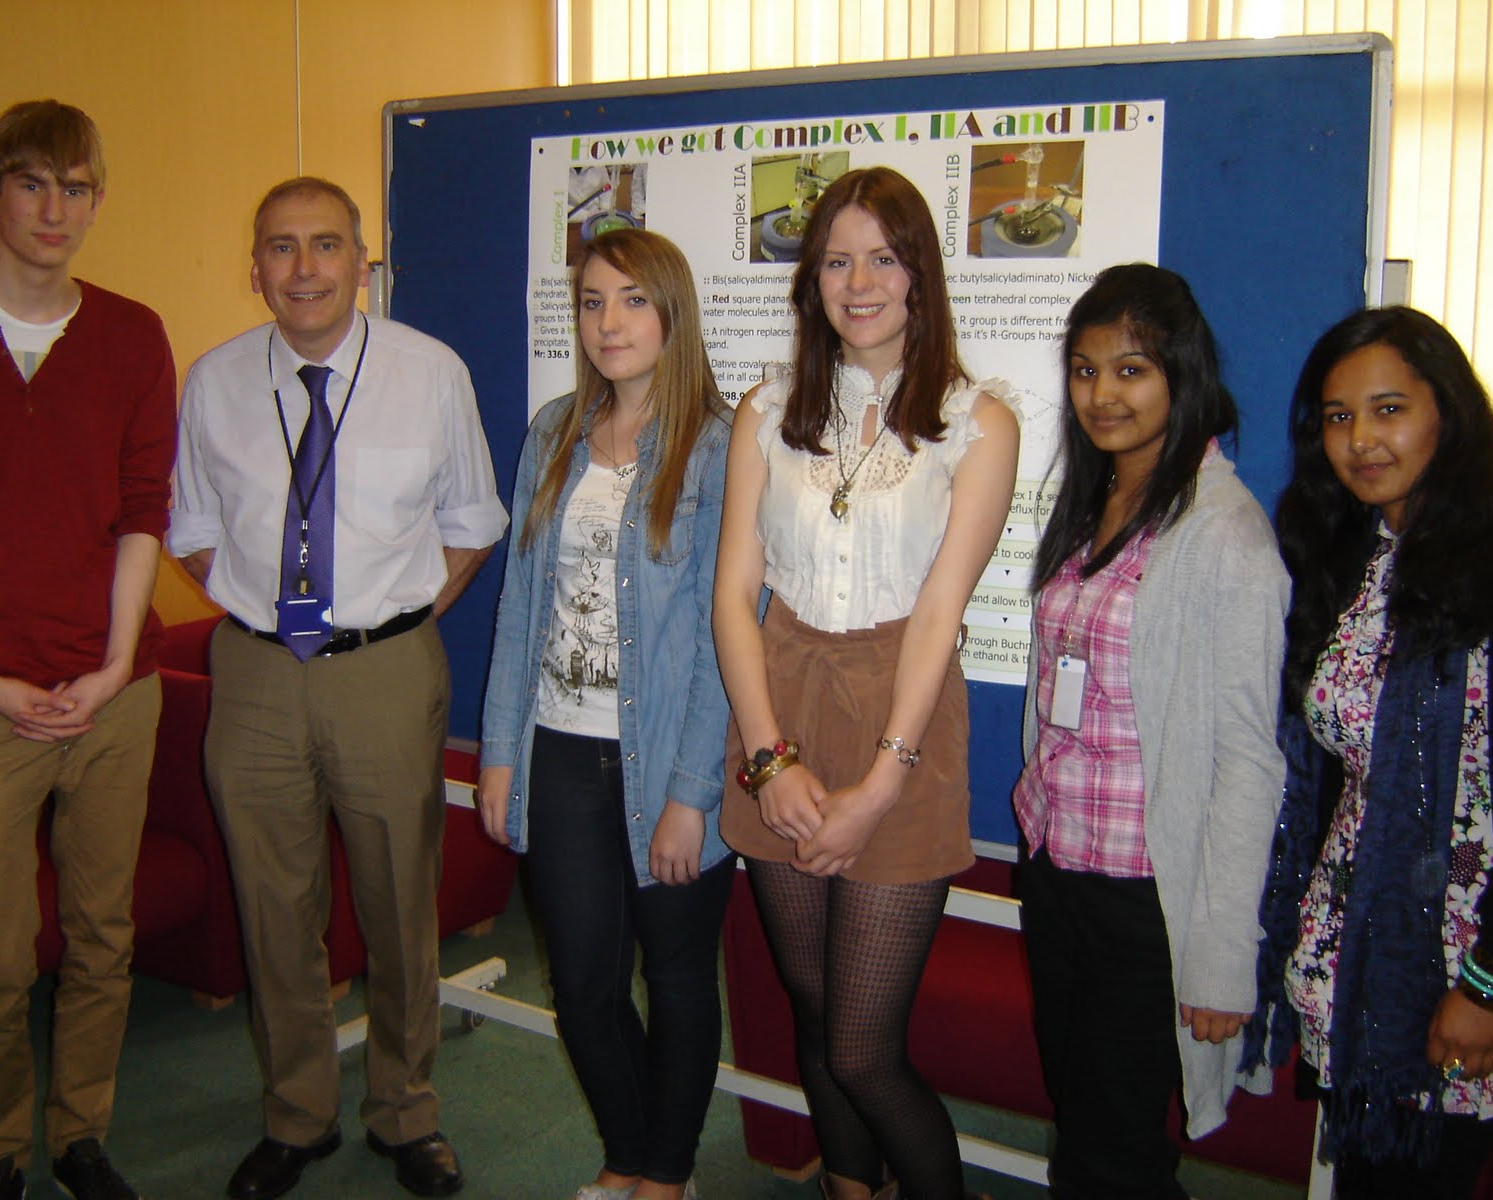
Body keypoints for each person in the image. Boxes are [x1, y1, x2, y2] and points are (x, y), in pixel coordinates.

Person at [168, 176, 507, 1200]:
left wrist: (398, 621)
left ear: (363, 264)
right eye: (280, 247)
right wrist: (270, 619)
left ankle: (405, 1111)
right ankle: (297, 1114)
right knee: (273, 906)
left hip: (388, 669)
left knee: (401, 900)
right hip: (257, 676)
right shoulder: (215, 380)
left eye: (325, 246)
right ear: (255, 266)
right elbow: (190, 530)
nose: (303, 268)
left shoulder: (427, 372)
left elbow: (472, 520)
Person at [712, 165, 1018, 1200]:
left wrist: (883, 782)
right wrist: (768, 760)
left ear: (919, 275)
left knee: (860, 1047)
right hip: (782, 706)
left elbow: (939, 612)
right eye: (835, 261)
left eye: (882, 258)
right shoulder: (764, 408)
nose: (858, 281)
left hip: (907, 718)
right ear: (812, 282)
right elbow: (734, 595)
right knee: (812, 1010)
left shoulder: (977, 422)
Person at [0, 100, 176, 1200]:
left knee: (104, 935)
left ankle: (80, 1136)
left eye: (76, 188)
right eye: (31, 185)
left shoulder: (130, 332)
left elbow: (143, 512)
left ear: (98, 200)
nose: (54, 210)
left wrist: (111, 669)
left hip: (115, 690)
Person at [1011, 263, 1287, 1199]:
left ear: (1181, 372)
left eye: (1130, 370)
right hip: (1058, 864)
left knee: (1118, 1148)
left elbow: (1251, 760)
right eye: (1084, 370)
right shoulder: (1098, 498)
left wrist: (1218, 957)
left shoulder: (1225, 534)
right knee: (1083, 1118)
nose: (1102, 394)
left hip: (1144, 898)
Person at [477, 228, 734, 1200]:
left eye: (631, 300)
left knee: (673, 982)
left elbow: (725, 639)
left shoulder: (717, 445)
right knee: (580, 986)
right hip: (558, 748)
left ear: (671, 313)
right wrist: (499, 751)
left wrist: (692, 793)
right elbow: (518, 605)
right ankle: (624, 1156)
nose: (609, 322)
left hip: (667, 756)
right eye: (591, 301)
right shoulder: (552, 432)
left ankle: (665, 1177)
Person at [1245, 307, 1493, 1198]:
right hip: (1359, 961)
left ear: (1449, 411)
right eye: (1339, 417)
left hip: (1458, 962)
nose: (1362, 440)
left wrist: (1485, 984)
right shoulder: (1356, 556)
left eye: (1389, 409)